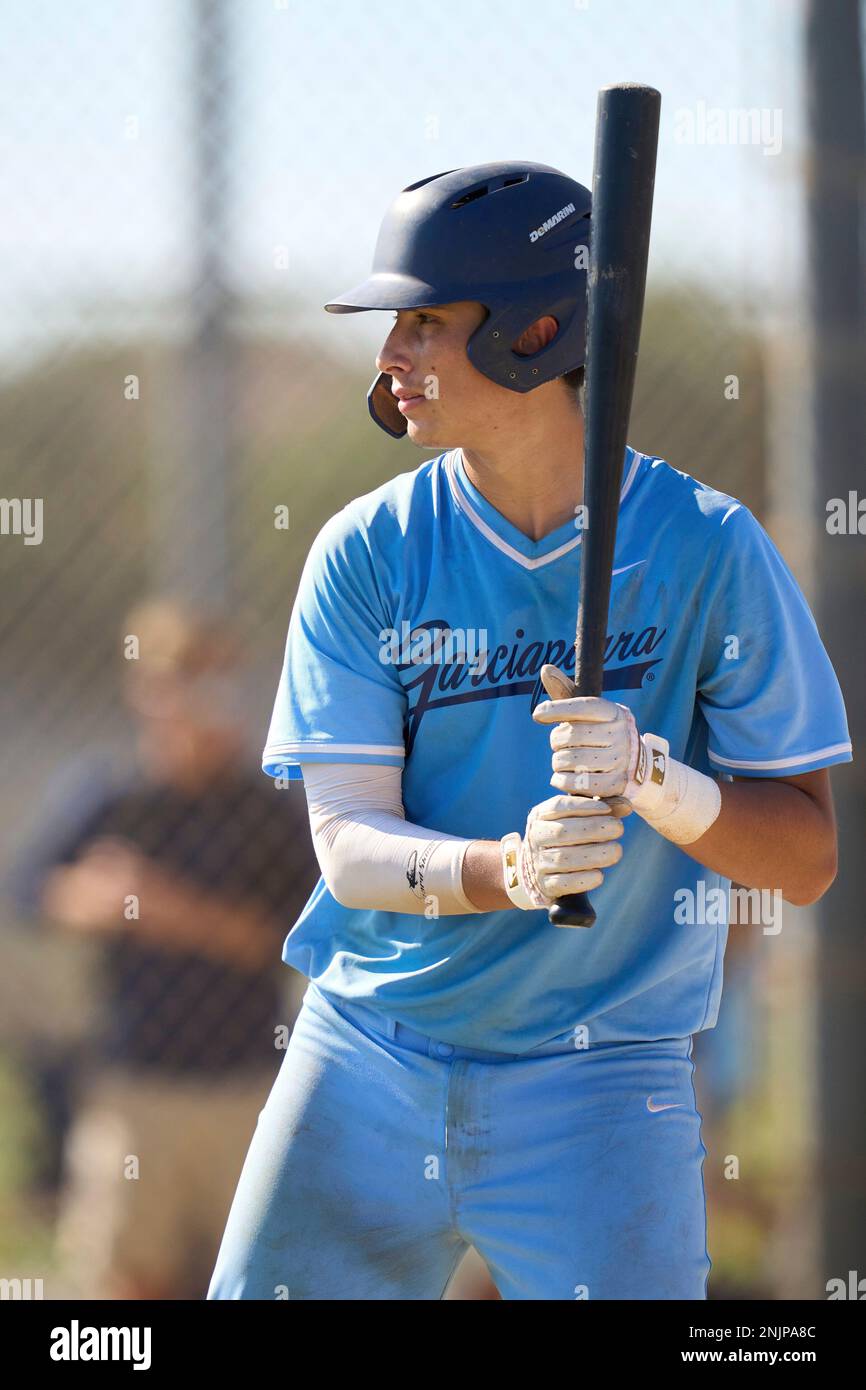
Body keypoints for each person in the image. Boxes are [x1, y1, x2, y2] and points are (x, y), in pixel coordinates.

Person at [208, 161, 851, 1301]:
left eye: (422, 323)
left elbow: (802, 861)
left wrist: (661, 781)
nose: (388, 359)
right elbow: (347, 845)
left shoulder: (706, 545)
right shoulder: (368, 550)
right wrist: (506, 869)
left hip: (602, 1081)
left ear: (533, 330)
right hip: (369, 1056)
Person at [9, 599, 318, 1299]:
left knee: (254, 1271)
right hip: (136, 1081)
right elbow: (32, 890)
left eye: (211, 686)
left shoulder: (265, 808)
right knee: (128, 1277)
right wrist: (96, 897)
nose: (194, 708)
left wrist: (165, 909)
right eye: (173, 686)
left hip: (248, 1081)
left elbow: (296, 939)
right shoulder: (113, 796)